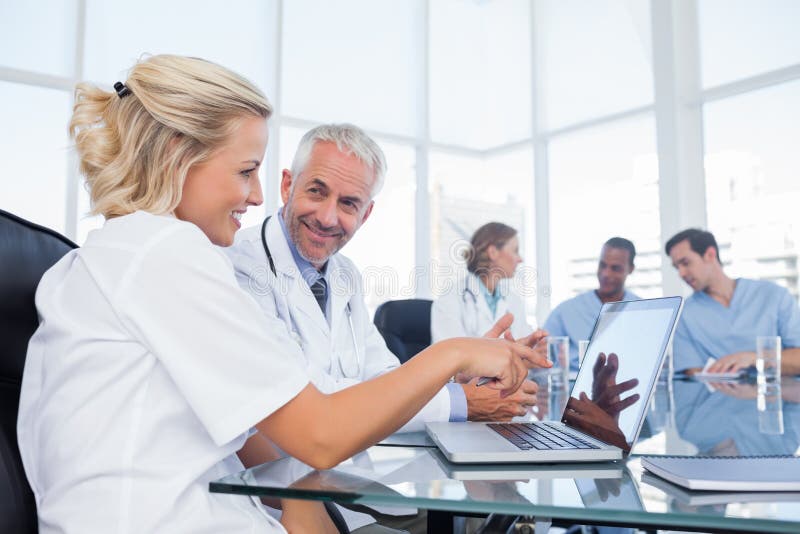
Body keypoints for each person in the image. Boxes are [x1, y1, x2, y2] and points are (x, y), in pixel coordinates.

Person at [16, 55, 547, 534]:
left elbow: (273, 434)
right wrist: (452, 354)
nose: (257, 194)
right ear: (179, 156)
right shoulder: (164, 251)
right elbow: (319, 432)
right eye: (246, 171)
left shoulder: (128, 251)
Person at [665, 228, 800, 375]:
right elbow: (693, 375)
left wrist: (756, 359)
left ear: (710, 255)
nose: (681, 273)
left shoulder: (774, 296)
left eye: (685, 263)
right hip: (719, 396)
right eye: (676, 267)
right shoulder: (683, 315)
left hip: (774, 394)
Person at [543, 237, 640, 370]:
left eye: (615, 268)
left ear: (631, 269)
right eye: (602, 265)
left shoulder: (642, 310)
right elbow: (541, 358)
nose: (606, 273)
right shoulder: (566, 311)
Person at [431, 222, 537, 342]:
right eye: (515, 251)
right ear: (493, 252)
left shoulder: (514, 301)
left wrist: (536, 346)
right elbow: (450, 355)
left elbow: (526, 344)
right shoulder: (450, 300)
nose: (520, 259)